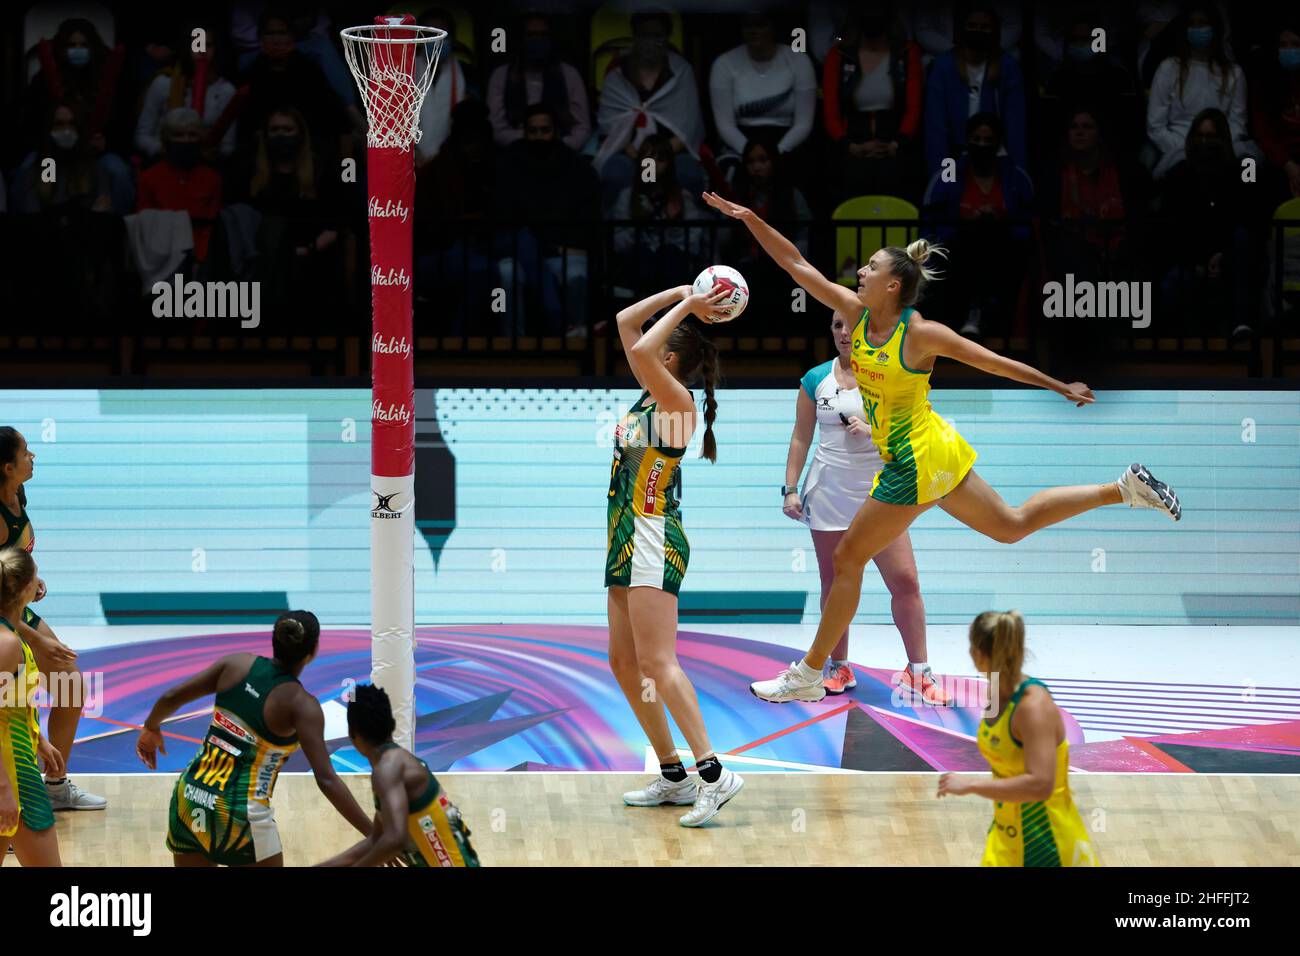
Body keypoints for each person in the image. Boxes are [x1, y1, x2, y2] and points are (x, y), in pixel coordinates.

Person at [701, 190, 1182, 704]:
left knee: (847, 559)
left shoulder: (922, 334)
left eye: (868, 267)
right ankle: (1122, 489)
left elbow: (992, 362)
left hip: (912, 461)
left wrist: (1056, 385)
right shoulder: (855, 312)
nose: (857, 272)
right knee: (1011, 525)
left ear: (892, 284)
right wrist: (751, 217)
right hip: (939, 449)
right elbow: (795, 264)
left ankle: (811, 672)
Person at [607, 284, 744, 827]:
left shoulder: (677, 403)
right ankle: (673, 775)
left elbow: (639, 349)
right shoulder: (649, 394)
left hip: (652, 535)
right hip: (624, 538)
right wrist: (682, 291)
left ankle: (714, 773)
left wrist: (688, 308)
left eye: (658, 349)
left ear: (670, 360)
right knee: (624, 663)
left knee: (659, 664)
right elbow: (625, 323)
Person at [781, 309, 947, 702]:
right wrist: (790, 488)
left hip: (883, 492)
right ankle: (838, 666)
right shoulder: (814, 379)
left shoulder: (888, 373)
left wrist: (874, 431)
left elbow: (919, 421)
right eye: (837, 325)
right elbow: (801, 437)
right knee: (835, 583)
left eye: (850, 326)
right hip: (828, 492)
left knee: (905, 581)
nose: (843, 333)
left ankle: (919, 671)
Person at [135, 611, 372, 866]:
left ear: (274, 640)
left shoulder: (235, 665)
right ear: (312, 651)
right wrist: (375, 834)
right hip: (240, 815)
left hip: (191, 795)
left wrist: (151, 728)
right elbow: (326, 779)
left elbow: (172, 696)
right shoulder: (302, 706)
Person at [937, 610, 1099, 867]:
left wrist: (970, 785)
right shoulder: (994, 690)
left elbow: (1041, 784)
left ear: (977, 655)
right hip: (1005, 834)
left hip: (1045, 844)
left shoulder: (1033, 708)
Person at [0, 427, 106, 812]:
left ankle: (55, 786)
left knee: (70, 685)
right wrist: (36, 638)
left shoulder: (17, 495)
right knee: (9, 705)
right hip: (2, 617)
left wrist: (28, 579)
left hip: (12, 606)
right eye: (26, 453)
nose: (33, 458)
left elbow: (10, 556)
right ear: (7, 466)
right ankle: (9, 800)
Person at [318, 684, 480, 866]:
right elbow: (375, 841)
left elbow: (395, 840)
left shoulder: (387, 769)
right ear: (391, 724)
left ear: (352, 734)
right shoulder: (395, 763)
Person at [920, 111, 1034, 339]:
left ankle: (981, 312)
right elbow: (932, 222)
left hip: (1004, 252)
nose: (982, 145)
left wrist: (998, 221)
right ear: (967, 140)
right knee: (972, 239)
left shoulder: (1014, 176)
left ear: (998, 143)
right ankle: (971, 311)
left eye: (988, 140)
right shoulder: (950, 174)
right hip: (956, 252)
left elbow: (1028, 222)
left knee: (989, 237)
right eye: (976, 139)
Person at [594, 11, 706, 210]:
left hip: (670, 152)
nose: (651, 42)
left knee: (688, 173)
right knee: (615, 173)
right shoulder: (617, 73)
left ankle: (682, 235)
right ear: (635, 37)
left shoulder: (681, 72)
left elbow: (689, 126)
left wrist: (656, 158)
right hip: (628, 151)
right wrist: (639, 157)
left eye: (658, 35)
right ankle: (618, 236)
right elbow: (608, 125)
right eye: (645, 35)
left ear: (666, 37)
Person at [821, 3, 924, 202]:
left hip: (895, 146)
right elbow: (831, 113)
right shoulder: (839, 55)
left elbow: (914, 108)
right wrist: (851, 146)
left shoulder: (907, 53)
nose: (872, 16)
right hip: (852, 147)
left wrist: (896, 144)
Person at [0, 547, 64, 865]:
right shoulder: (7, 644)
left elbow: (7, 706)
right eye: (36, 575)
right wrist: (3, 791)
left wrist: (38, 740)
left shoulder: (11, 635)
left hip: (17, 765)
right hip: (13, 776)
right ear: (26, 589)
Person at [1146, 2, 1256, 180]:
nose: (1197, 28)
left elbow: (1238, 123)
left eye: (1202, 23)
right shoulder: (1168, 69)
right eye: (1192, 24)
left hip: (1224, 147)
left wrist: (1217, 147)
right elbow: (1155, 126)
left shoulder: (1234, 73)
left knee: (1250, 170)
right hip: (1178, 149)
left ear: (1215, 28)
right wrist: (1191, 148)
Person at [922, 3, 1027, 177]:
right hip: (954, 157)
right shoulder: (943, 67)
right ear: (961, 29)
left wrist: (1018, 174)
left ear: (995, 31)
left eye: (985, 27)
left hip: (995, 156)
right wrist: (942, 177)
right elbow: (936, 130)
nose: (978, 31)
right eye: (972, 26)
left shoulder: (1007, 67)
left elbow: (1016, 128)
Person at [708, 11, 817, 160]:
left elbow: (803, 125)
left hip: (787, 141)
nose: (753, 31)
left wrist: (776, 153)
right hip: (740, 142)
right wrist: (751, 154)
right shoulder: (724, 64)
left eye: (760, 25)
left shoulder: (799, 61)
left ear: (773, 28)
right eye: (748, 25)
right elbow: (725, 127)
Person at [486, 11, 590, 152]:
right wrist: (531, 144)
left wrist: (559, 147)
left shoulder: (569, 74)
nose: (537, 40)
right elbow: (496, 128)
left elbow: (582, 127)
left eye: (542, 35)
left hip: (561, 152)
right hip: (515, 153)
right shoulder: (501, 75)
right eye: (531, 35)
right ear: (520, 39)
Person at [137, 108, 224, 265]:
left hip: (201, 260)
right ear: (167, 139)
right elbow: (143, 225)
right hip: (160, 258)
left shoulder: (212, 178)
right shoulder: (149, 177)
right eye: (179, 135)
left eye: (192, 135)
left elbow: (214, 227)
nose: (186, 140)